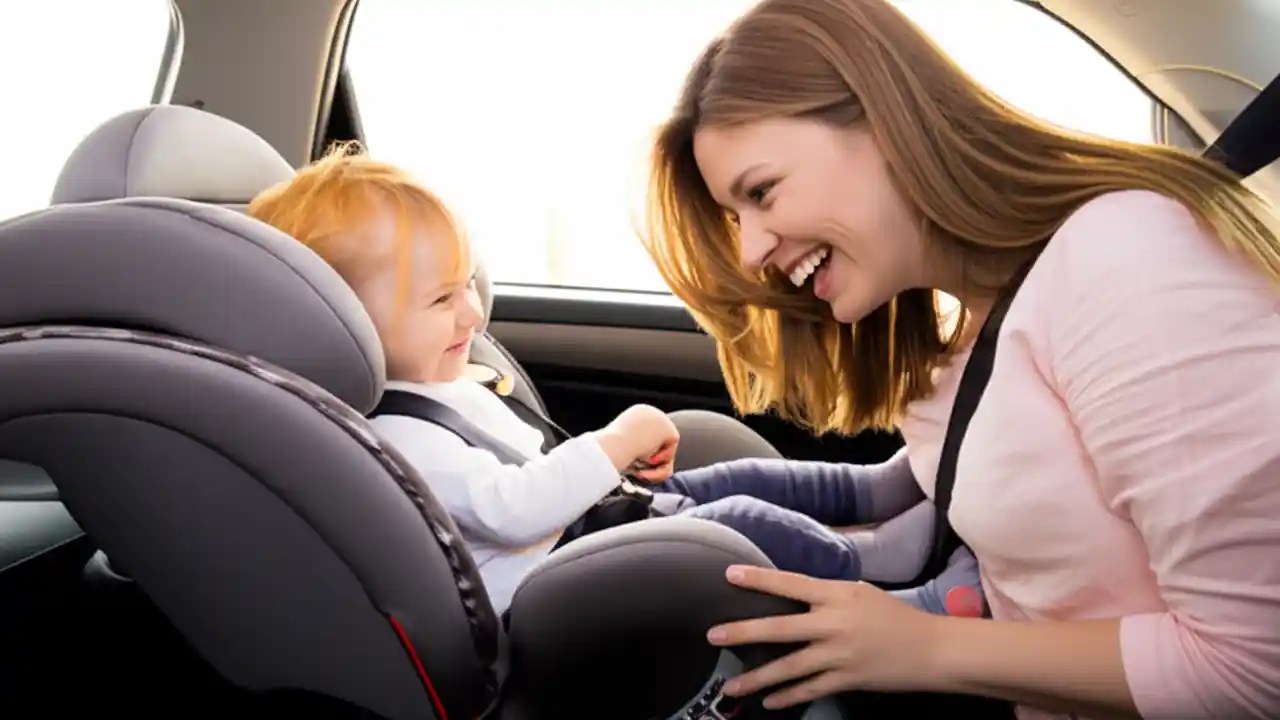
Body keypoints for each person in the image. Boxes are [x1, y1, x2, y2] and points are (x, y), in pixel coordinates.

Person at [640, 0, 1280, 718]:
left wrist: (923, 647)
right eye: (737, 218)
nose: (751, 252)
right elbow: (899, 492)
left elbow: (1259, 665)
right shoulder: (973, 335)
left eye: (761, 193)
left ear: (882, 120)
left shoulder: (1124, 263)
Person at [245, 143, 986, 618]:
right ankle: (893, 578)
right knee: (735, 521)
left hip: (583, 527)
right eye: (441, 300)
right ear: (342, 322)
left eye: (466, 283)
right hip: (562, 581)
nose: (473, 311)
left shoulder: (434, 384)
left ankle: (878, 491)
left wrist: (609, 463)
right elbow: (513, 510)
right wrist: (615, 440)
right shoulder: (401, 438)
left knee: (727, 479)